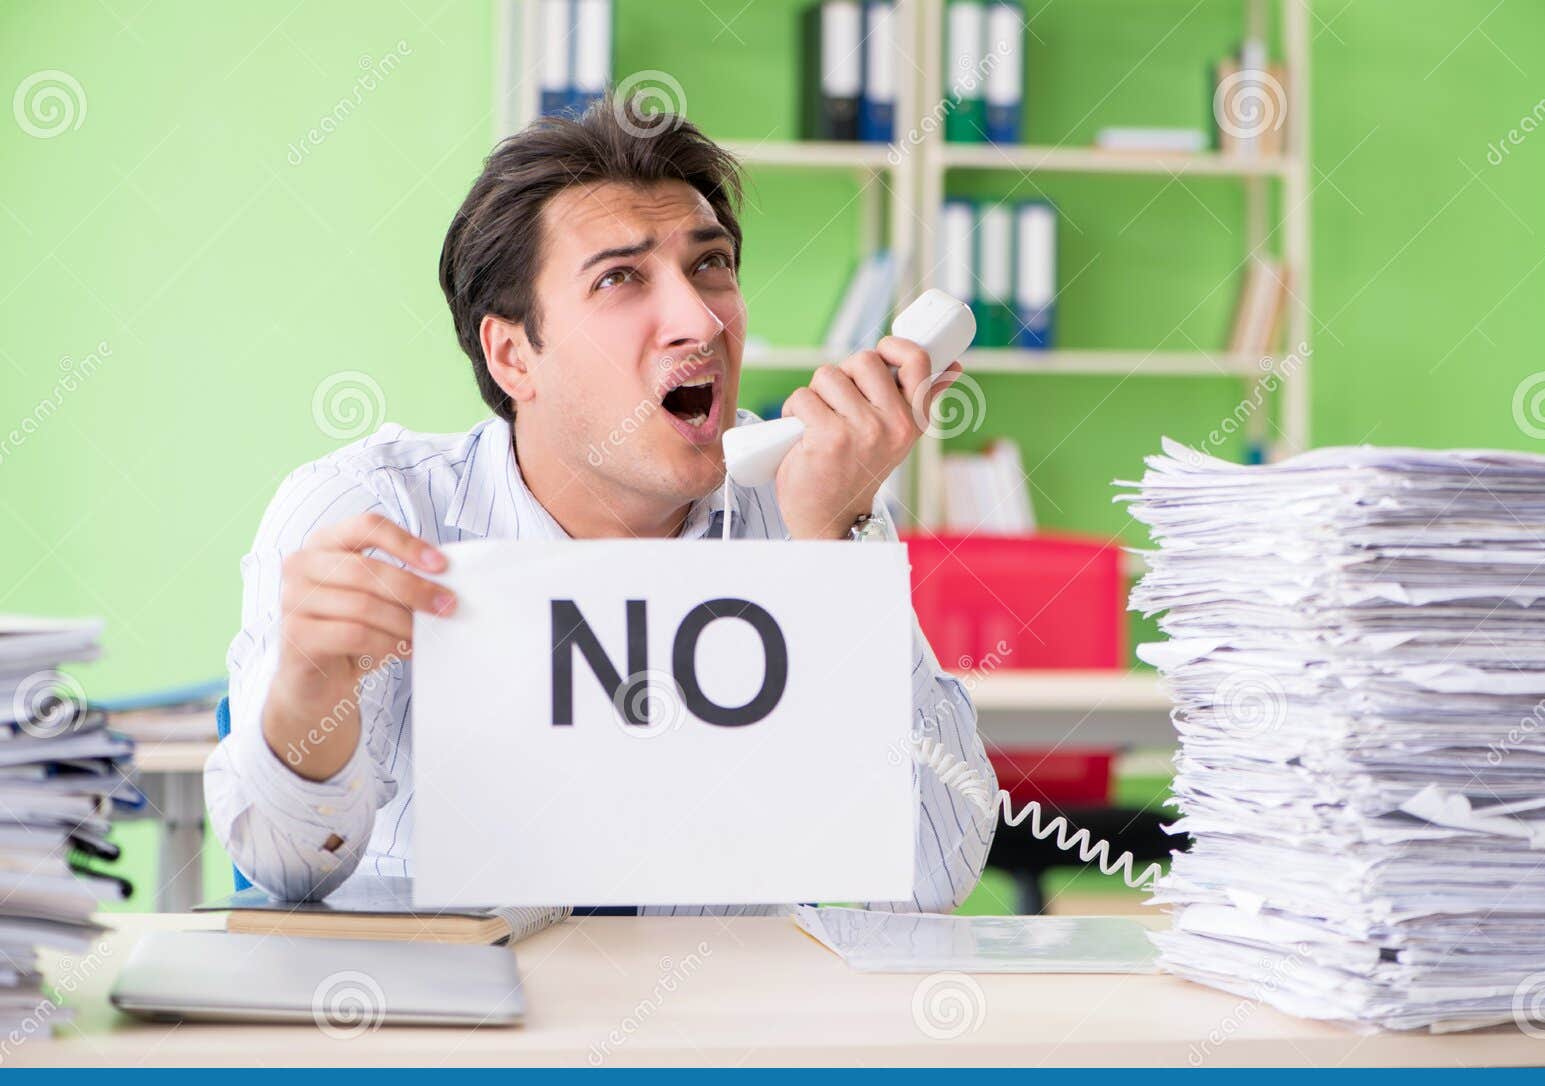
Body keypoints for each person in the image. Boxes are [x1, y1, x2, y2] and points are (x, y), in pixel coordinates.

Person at [203, 94, 999, 914]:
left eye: (710, 265)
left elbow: (927, 883)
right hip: (446, 1025)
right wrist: (304, 693)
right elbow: (288, 874)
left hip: (718, 1028)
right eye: (620, 278)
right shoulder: (373, 514)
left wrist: (837, 551)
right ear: (514, 356)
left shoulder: (805, 503)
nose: (699, 318)